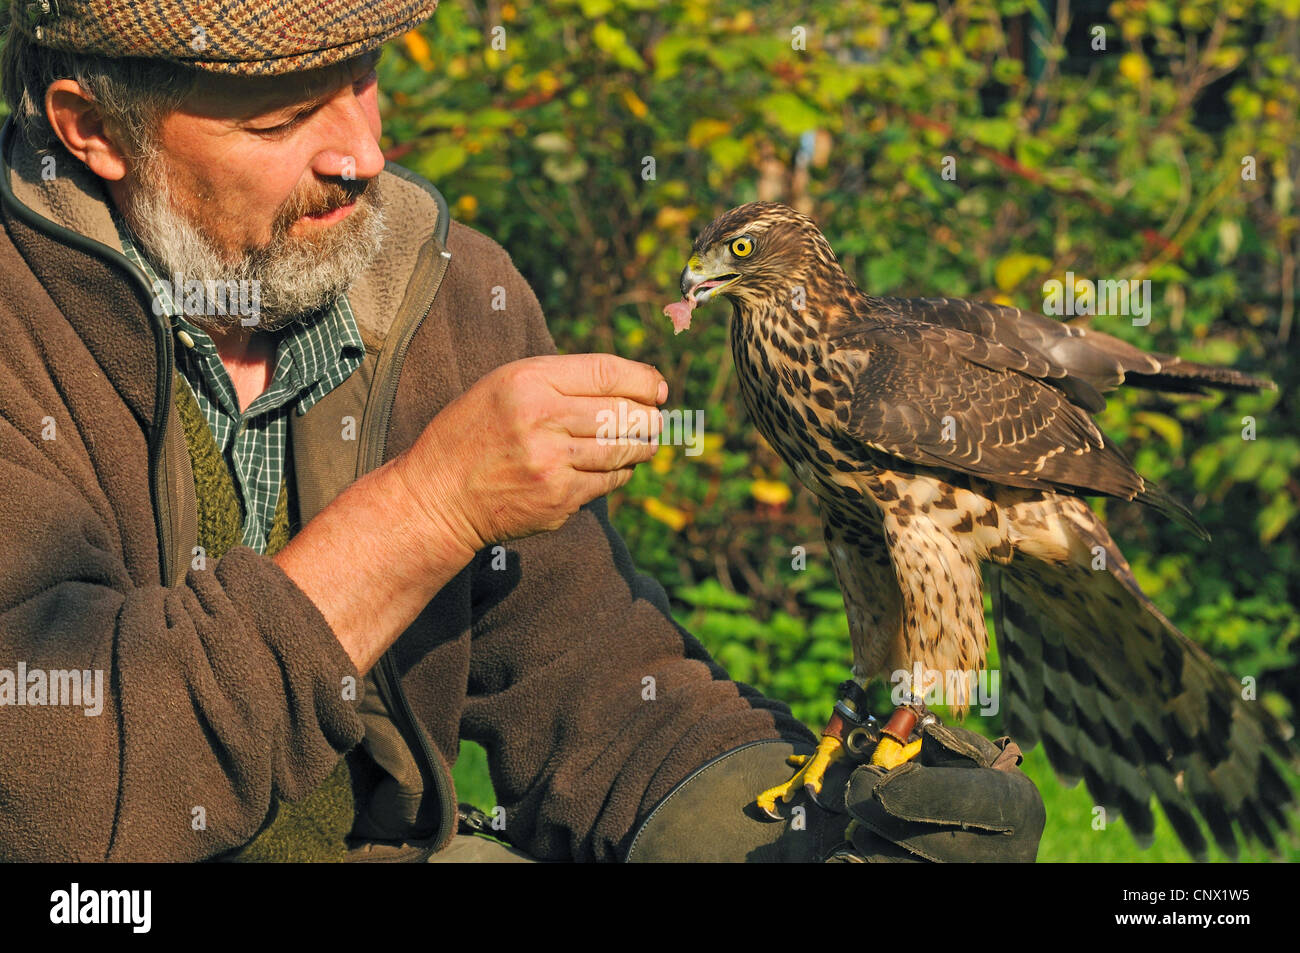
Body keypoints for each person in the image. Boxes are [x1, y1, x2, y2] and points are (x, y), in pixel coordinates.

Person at [0, 0, 1044, 862]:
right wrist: (425, 507)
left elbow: (593, 689)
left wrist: (796, 836)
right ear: (93, 127)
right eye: (282, 120)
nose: (362, 154)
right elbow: (54, 803)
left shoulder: (450, 293)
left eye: (364, 79)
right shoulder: (18, 334)